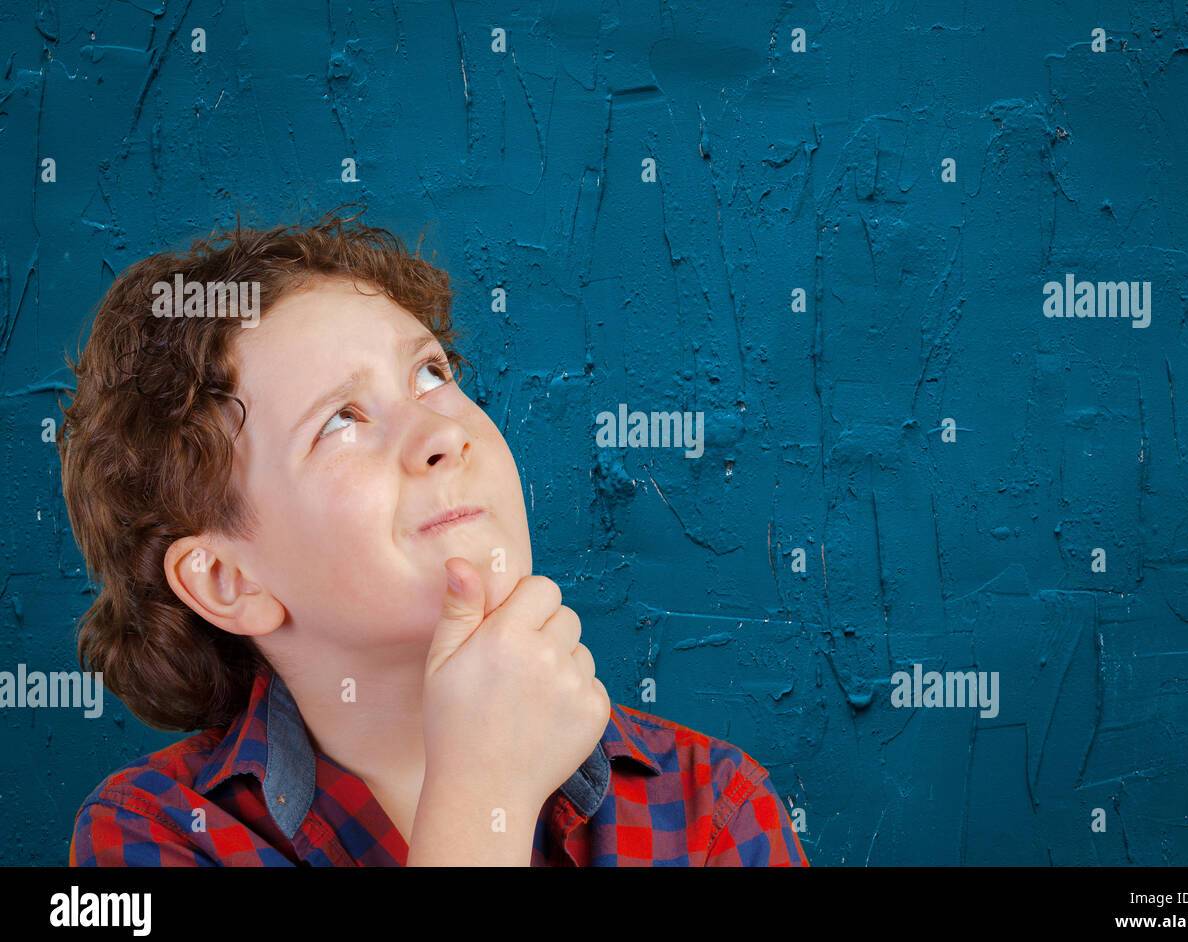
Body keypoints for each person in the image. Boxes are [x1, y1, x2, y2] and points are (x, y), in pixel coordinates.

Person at [59, 208, 809, 866]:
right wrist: (488, 792)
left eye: (429, 374)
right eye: (339, 420)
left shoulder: (714, 809)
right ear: (231, 581)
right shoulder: (150, 834)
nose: (443, 433)